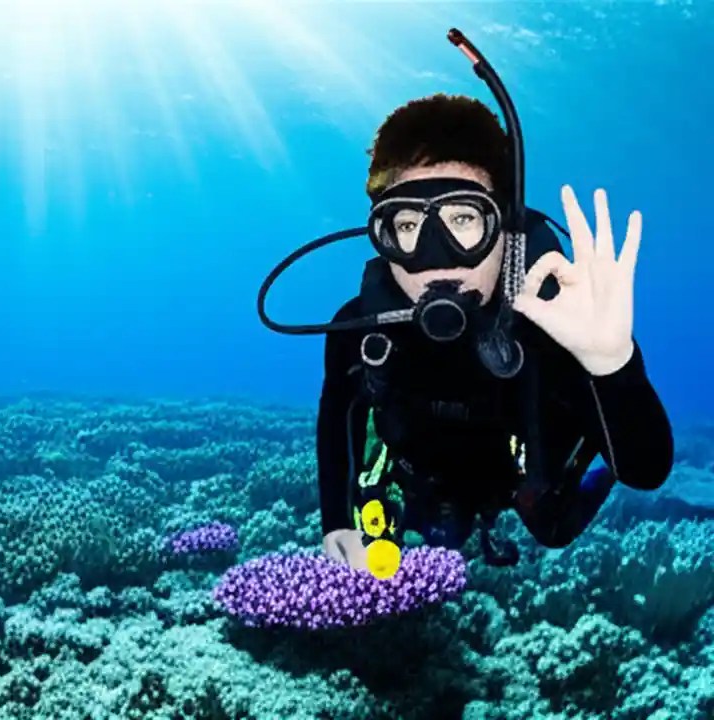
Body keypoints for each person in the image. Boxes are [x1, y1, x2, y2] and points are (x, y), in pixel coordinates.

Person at [256, 29, 674, 577]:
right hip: (426, 474)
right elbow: (339, 414)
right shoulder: (359, 332)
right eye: (406, 226)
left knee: (554, 529)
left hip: (525, 478)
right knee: (436, 532)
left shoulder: (554, 328)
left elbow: (646, 470)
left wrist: (613, 366)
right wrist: (336, 519)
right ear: (381, 239)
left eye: (463, 221)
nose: (435, 259)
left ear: (507, 229)